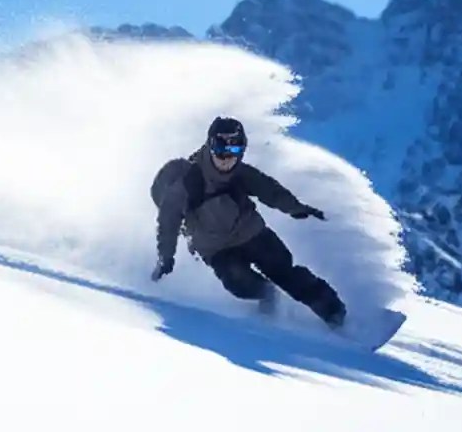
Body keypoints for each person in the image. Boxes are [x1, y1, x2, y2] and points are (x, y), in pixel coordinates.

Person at [149, 116, 347, 327]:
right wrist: (166, 258)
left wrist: (295, 208)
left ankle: (333, 312)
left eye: (234, 150)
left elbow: (269, 190)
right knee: (239, 281)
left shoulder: (240, 173)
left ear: (242, 150)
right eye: (220, 148)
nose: (226, 157)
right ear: (210, 145)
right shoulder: (188, 182)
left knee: (285, 271)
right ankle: (269, 300)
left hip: (252, 233)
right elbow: (168, 221)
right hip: (217, 250)